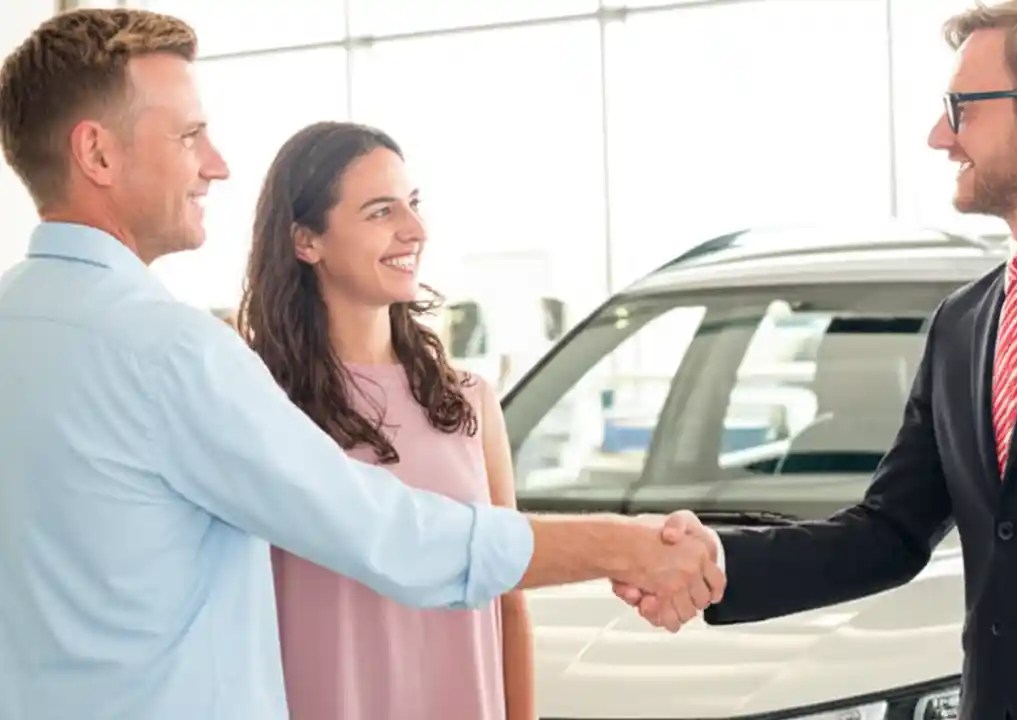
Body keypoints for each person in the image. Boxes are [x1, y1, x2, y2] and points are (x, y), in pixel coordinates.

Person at [0, 10, 721, 720]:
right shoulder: (170, 352)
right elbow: (393, 537)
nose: (215, 164)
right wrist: (626, 546)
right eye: (190, 135)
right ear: (96, 154)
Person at [618, 1, 1017, 719]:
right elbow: (889, 534)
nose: (940, 136)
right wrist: (718, 561)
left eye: (960, 107)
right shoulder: (963, 324)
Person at [238, 121, 535, 720]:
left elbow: (509, 602)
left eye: (413, 204)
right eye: (381, 211)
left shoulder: (470, 403)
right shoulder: (254, 403)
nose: (415, 230)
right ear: (305, 241)